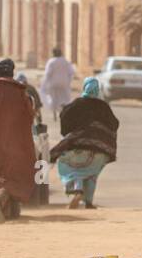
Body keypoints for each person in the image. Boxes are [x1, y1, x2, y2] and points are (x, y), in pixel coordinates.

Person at [0, 58, 37, 223]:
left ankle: (1, 202)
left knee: (1, 174)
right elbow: (30, 117)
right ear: (12, 73)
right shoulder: (21, 93)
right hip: (20, 143)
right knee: (17, 175)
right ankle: (2, 200)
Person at [50, 78, 119, 209]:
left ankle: (77, 189)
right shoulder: (104, 106)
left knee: (68, 166)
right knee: (92, 174)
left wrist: (71, 134)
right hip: (100, 151)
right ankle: (89, 202)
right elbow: (115, 124)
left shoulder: (75, 105)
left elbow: (64, 119)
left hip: (78, 148)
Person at [41, 46, 75, 121]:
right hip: (64, 83)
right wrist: (68, 81)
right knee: (64, 99)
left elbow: (48, 73)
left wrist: (44, 83)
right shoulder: (66, 61)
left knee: (54, 99)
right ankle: (63, 114)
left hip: (53, 84)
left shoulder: (51, 62)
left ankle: (54, 115)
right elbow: (71, 72)